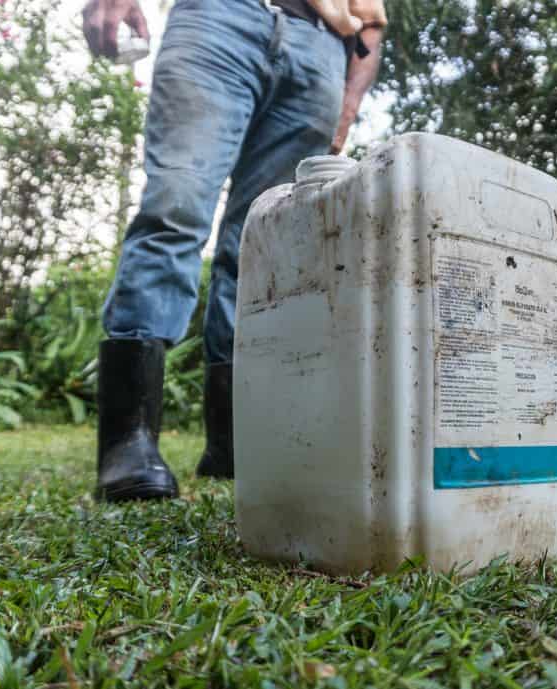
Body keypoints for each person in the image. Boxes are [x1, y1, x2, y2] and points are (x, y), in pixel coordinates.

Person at [81, 0, 386, 501]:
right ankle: (128, 442)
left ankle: (234, 442)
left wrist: (348, 102)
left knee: (263, 239)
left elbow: (370, 22)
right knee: (175, 204)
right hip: (217, 17)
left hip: (321, 48)